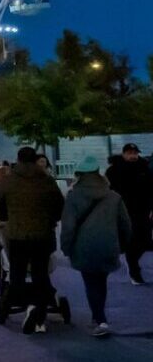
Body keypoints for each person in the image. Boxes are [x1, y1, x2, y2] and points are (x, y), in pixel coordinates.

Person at [0, 146, 65, 334]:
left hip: (17, 235)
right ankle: (38, 313)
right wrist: (50, 220)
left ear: (17, 159)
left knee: (16, 275)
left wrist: (7, 219)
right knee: (41, 276)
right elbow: (59, 205)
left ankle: (20, 304)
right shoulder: (46, 180)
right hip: (43, 236)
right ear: (35, 160)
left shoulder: (8, 180)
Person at [61, 156, 132, 337]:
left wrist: (66, 247)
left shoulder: (73, 196)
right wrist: (122, 245)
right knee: (101, 281)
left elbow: (68, 226)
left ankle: (99, 319)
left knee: (91, 282)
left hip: (83, 247)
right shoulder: (113, 196)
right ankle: (99, 317)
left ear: (79, 175)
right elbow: (125, 224)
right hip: (108, 245)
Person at [105, 142, 152, 285]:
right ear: (124, 154)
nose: (133, 156)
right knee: (131, 241)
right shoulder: (113, 171)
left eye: (135, 153)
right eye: (130, 153)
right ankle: (134, 271)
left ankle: (131, 260)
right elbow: (109, 192)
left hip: (144, 211)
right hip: (124, 211)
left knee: (145, 241)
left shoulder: (145, 167)